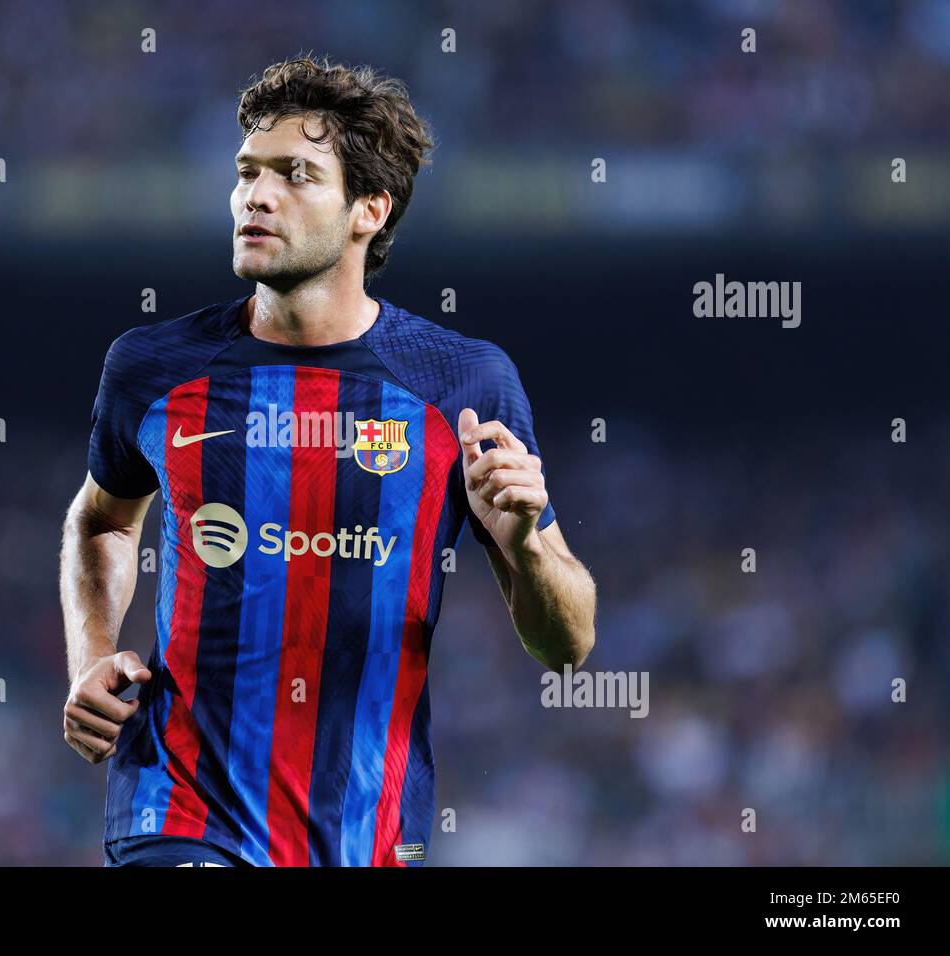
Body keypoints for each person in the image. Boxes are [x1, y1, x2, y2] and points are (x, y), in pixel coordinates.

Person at [59, 55, 597, 867]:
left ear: (368, 211)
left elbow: (569, 645)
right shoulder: (154, 366)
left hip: (368, 835)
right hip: (177, 811)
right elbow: (101, 519)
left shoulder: (464, 383)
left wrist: (523, 545)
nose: (255, 196)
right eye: (246, 173)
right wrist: (94, 651)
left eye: (296, 175)